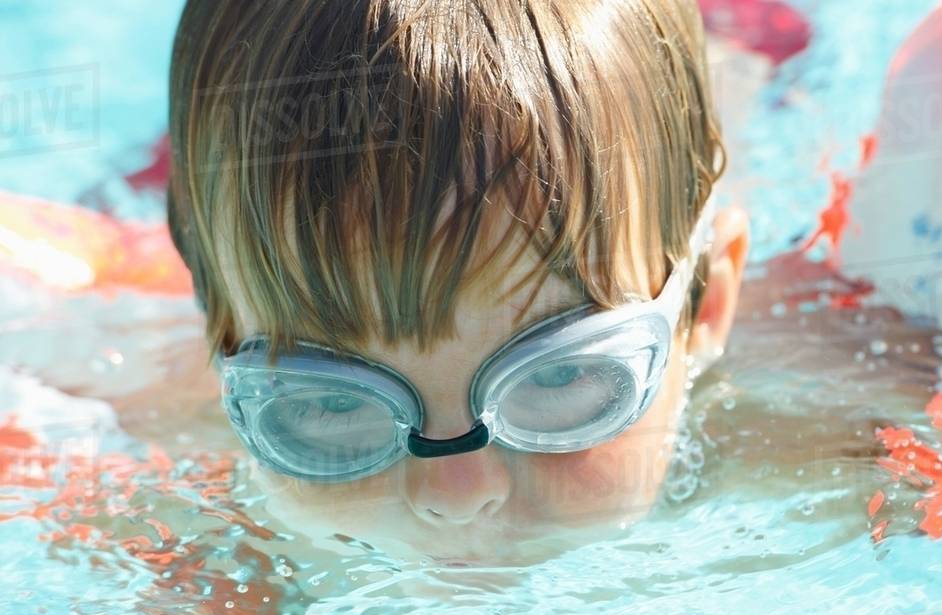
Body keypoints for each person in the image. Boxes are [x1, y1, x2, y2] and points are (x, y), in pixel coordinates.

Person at [165, 0, 751, 563]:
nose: (455, 496)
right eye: (334, 400)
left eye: (560, 373)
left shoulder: (811, 451)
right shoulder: (163, 485)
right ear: (215, 338)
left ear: (706, 306)